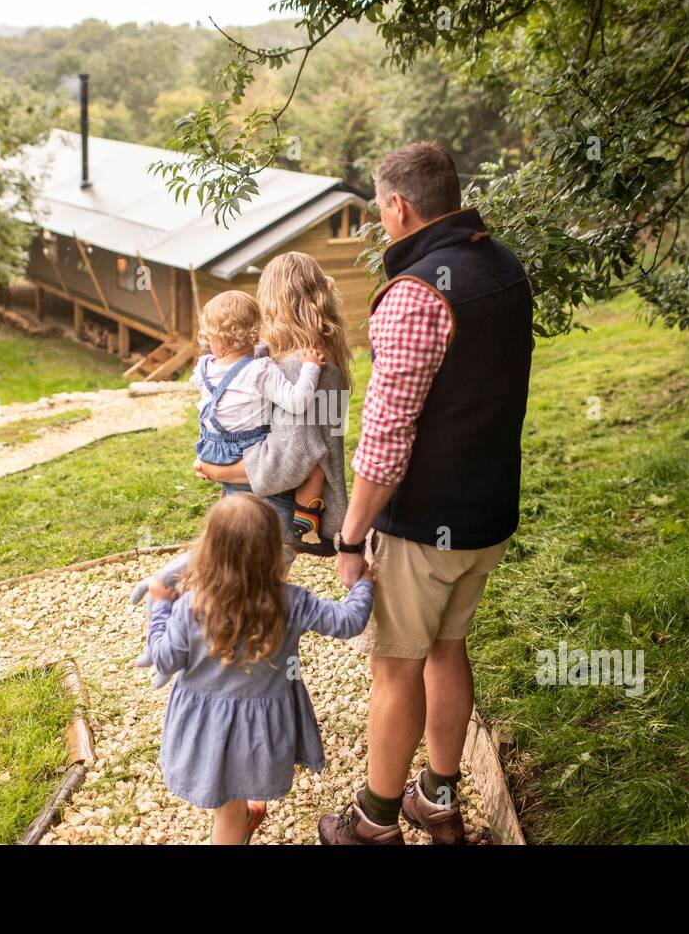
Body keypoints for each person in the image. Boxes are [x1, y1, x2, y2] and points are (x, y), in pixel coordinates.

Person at [319, 141, 534, 845]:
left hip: (426, 525)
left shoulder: (416, 293)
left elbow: (384, 441)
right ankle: (437, 796)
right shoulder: (504, 266)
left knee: (395, 669)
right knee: (448, 646)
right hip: (489, 517)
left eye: (381, 211)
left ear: (397, 207)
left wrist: (350, 536)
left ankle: (375, 819)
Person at [145, 493, 375, 844]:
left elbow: (164, 659)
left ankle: (236, 821)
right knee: (234, 795)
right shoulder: (290, 601)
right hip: (262, 728)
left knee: (225, 805)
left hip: (207, 728)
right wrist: (363, 584)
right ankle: (241, 816)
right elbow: (348, 622)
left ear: (208, 548)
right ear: (272, 549)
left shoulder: (193, 605)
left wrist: (160, 606)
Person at [196, 252, 355, 555]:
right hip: (287, 506)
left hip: (268, 507)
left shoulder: (300, 367)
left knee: (243, 588)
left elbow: (292, 459)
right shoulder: (324, 359)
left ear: (273, 299)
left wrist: (216, 470)